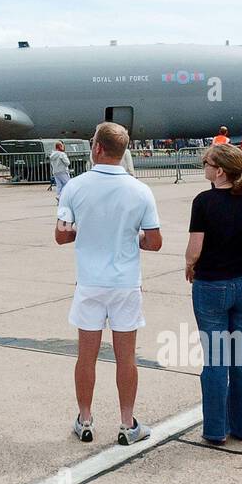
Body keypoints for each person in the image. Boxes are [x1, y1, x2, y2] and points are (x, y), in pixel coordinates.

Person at [55, 122, 162, 445]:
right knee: (125, 357)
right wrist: (134, 235)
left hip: (90, 282)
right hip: (125, 282)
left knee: (85, 356)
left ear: (98, 148)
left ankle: (85, 418)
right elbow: (155, 241)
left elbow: (62, 234)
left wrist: (83, 230)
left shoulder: (75, 187)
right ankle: (127, 422)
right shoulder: (140, 190)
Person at [183, 142, 242, 445]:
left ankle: (215, 430)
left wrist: (188, 264)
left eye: (206, 162)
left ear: (219, 170)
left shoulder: (204, 201)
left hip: (212, 285)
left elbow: (195, 248)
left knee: (215, 360)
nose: (204, 167)